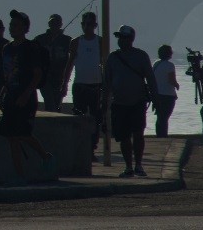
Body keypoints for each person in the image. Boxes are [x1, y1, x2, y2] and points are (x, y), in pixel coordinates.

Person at [0, 10, 54, 184]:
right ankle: (19, 175)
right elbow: (7, 75)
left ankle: (45, 156)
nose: (11, 27)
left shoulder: (31, 48)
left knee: (22, 133)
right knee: (11, 137)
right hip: (10, 96)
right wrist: (2, 94)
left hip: (26, 97)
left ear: (24, 28)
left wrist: (26, 94)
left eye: (15, 25)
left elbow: (37, 74)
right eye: (11, 25)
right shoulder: (6, 49)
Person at [105, 25, 157, 177]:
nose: (121, 40)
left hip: (138, 101)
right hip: (119, 103)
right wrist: (104, 101)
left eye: (124, 37)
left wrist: (155, 98)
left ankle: (139, 164)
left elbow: (151, 78)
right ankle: (128, 166)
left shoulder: (141, 56)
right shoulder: (113, 58)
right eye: (119, 37)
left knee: (138, 134)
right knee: (124, 137)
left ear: (131, 39)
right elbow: (107, 82)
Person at [65, 11, 105, 144]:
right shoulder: (75, 42)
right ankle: (79, 144)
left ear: (95, 25)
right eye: (84, 24)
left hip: (96, 85)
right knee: (79, 116)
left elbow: (105, 64)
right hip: (80, 85)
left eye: (89, 24)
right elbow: (69, 64)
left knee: (95, 118)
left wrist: (107, 86)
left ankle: (92, 145)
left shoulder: (100, 42)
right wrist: (64, 83)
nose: (86, 27)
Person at [34, 14, 71, 112]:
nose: (54, 25)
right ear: (49, 24)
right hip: (45, 77)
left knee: (56, 102)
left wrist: (66, 82)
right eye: (52, 23)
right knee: (49, 101)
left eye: (57, 23)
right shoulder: (40, 39)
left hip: (60, 78)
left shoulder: (67, 40)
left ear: (61, 24)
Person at [151, 44, 180, 139]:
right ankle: (163, 136)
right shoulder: (170, 65)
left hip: (157, 95)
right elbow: (171, 80)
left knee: (160, 117)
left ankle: (159, 135)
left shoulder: (156, 64)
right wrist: (177, 85)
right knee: (165, 117)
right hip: (168, 95)